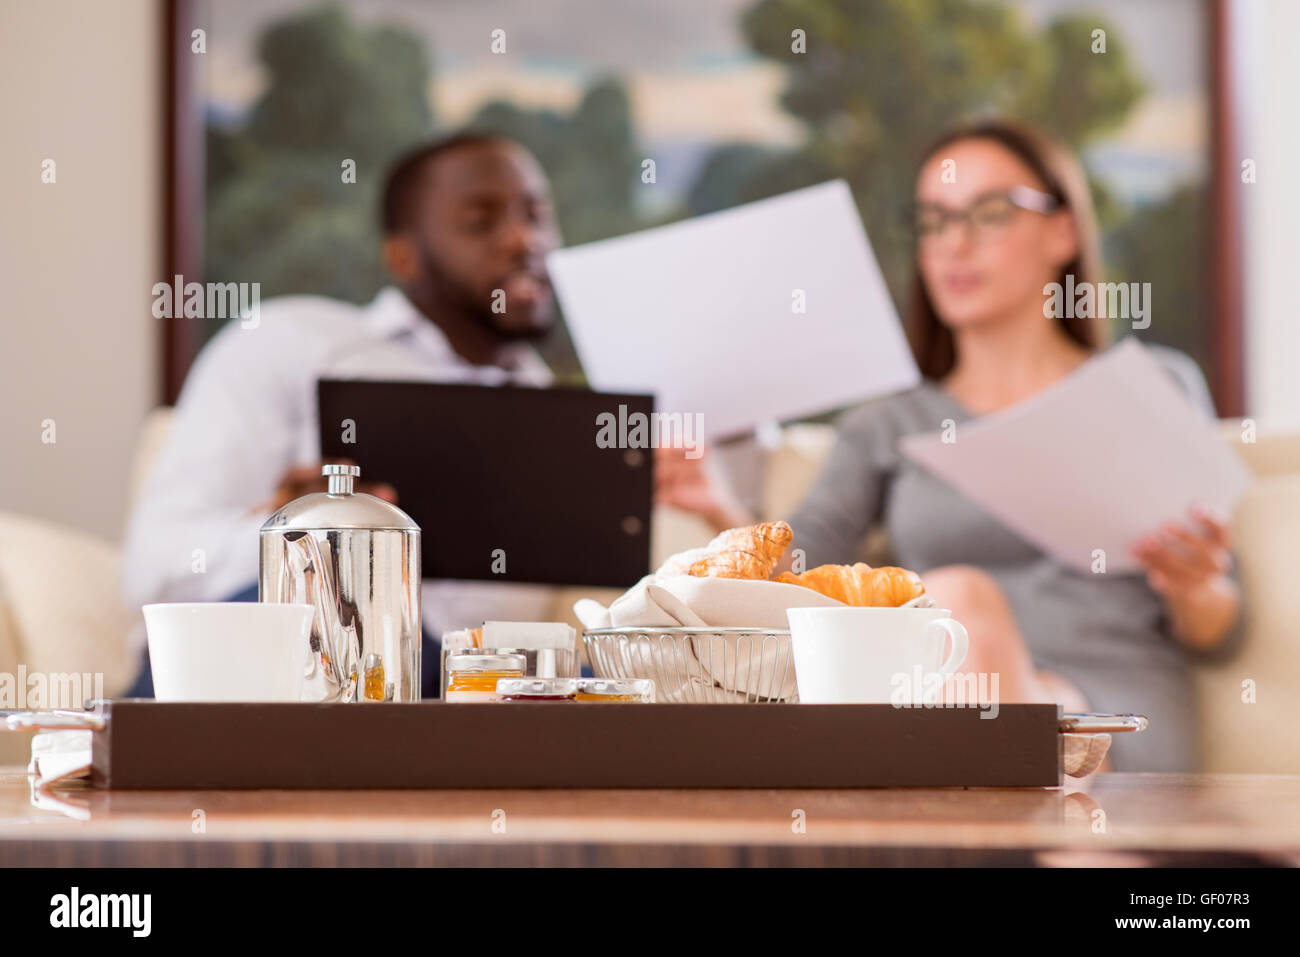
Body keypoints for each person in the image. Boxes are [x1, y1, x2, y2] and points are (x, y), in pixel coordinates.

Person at [663, 120, 1245, 772]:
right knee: (953, 614)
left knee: (959, 608)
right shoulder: (886, 424)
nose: (955, 245)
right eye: (935, 220)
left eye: (990, 213)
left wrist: (1197, 583)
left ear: (1063, 230)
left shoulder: (1154, 387)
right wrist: (716, 505)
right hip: (939, 707)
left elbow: (1218, 628)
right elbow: (792, 594)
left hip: (1108, 715)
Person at [122, 132, 573, 699]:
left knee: (596, 696)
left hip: (456, 690)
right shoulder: (291, 339)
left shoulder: (560, 417)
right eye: (480, 221)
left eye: (537, 215)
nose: (522, 238)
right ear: (402, 256)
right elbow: (156, 569)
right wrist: (298, 537)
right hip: (278, 658)